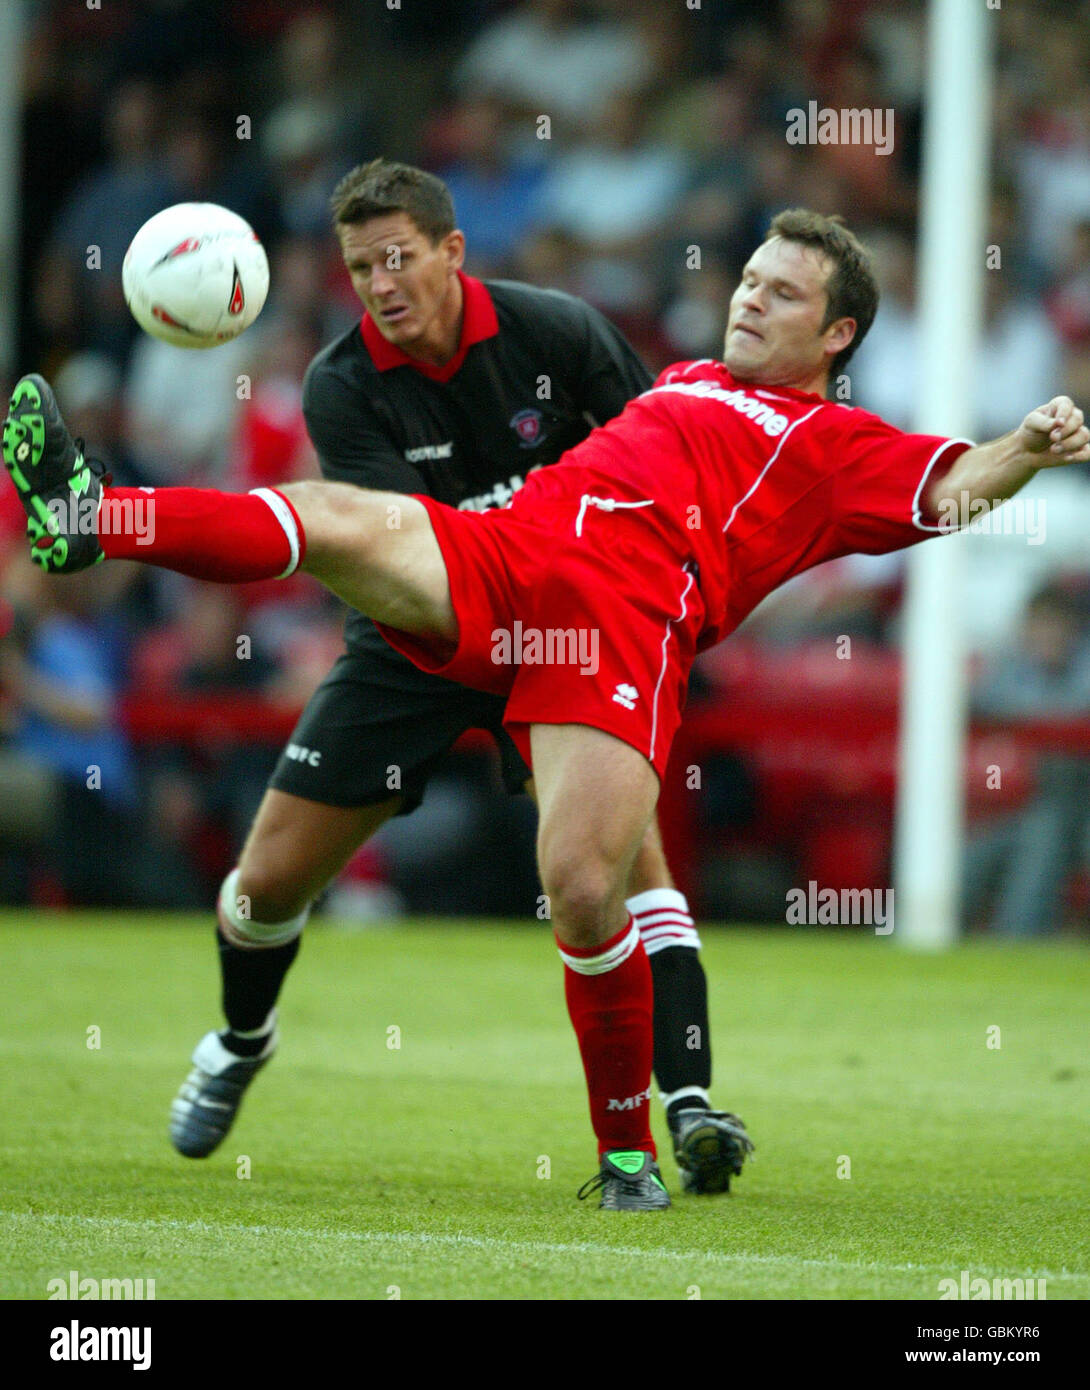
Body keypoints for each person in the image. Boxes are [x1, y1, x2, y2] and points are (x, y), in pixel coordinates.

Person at [8, 208, 1088, 1210]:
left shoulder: (831, 442)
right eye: (749, 280)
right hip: (511, 549)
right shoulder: (683, 378)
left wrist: (1026, 451)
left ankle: (630, 1149)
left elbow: (948, 489)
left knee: (579, 886)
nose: (749, 298)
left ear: (838, 331)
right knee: (338, 517)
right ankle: (94, 511)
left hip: (618, 623)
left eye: (783, 294)